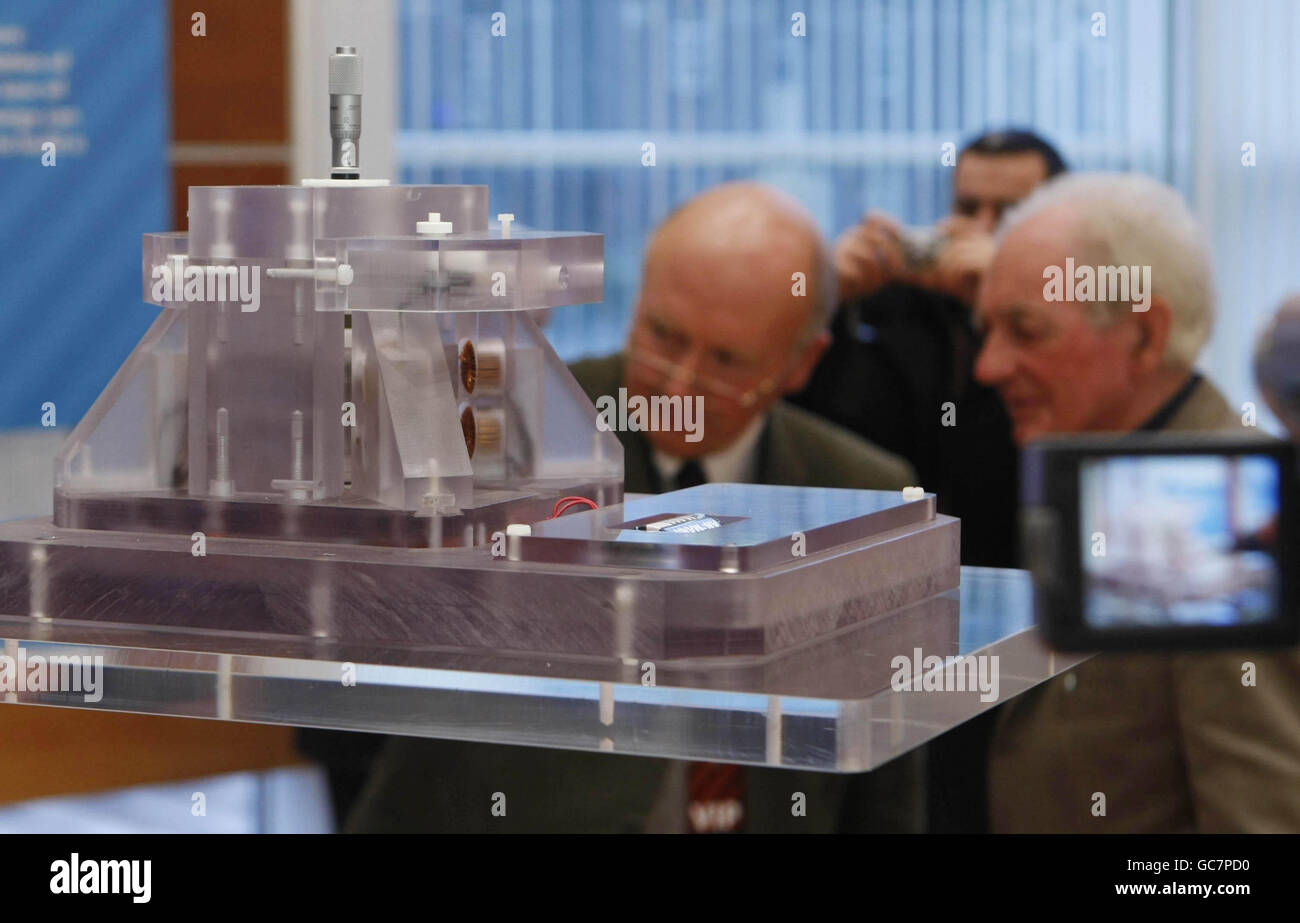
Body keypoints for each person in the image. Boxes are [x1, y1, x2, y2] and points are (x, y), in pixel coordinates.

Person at [346, 182, 922, 833]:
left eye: (726, 359)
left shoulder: (858, 490)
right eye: (664, 335)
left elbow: (886, 771)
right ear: (635, 301)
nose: (679, 383)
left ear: (801, 363)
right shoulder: (511, 438)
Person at [974, 172, 1300, 832]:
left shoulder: (1223, 509)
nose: (988, 366)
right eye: (986, 328)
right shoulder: (1099, 473)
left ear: (1146, 335)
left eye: (1025, 330)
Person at [792, 129, 1067, 833]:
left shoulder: (1074, 332)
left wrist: (1004, 299)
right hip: (884, 640)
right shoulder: (891, 316)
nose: (979, 230)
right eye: (966, 207)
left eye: (1008, 214)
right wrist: (823, 301)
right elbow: (810, 445)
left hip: (1031, 644)